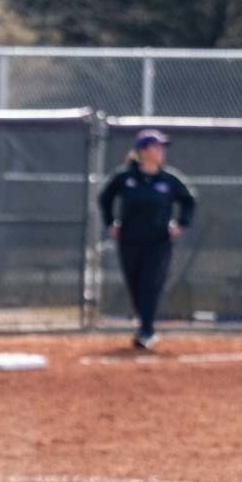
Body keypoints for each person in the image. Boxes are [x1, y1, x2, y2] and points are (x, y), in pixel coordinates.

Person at [98, 129, 195, 349]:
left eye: (162, 148)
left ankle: (146, 330)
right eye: (155, 147)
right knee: (135, 285)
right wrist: (110, 222)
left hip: (158, 242)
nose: (160, 152)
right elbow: (105, 198)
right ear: (142, 151)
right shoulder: (126, 178)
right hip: (130, 241)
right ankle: (145, 325)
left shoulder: (169, 180)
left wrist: (180, 223)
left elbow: (189, 201)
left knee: (150, 284)